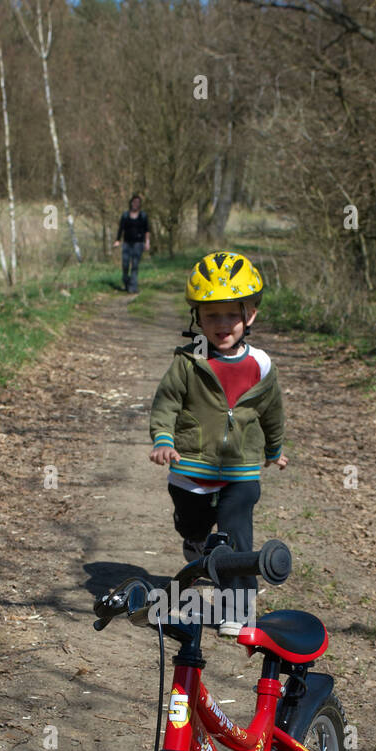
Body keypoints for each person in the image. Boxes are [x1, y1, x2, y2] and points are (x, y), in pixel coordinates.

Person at [149, 251, 288, 636]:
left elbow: (272, 412)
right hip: (191, 467)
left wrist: (274, 450)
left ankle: (237, 607)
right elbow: (166, 403)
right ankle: (195, 541)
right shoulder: (188, 360)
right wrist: (163, 438)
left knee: (238, 534)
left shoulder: (261, 365)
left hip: (240, 469)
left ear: (251, 315)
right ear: (198, 318)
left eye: (231, 314)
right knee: (194, 526)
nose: (222, 324)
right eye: (212, 316)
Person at [113, 194, 151, 294]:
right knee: (125, 264)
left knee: (135, 265)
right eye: (134, 202)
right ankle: (126, 282)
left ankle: (133, 287)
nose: (135, 204)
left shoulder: (143, 216)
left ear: (139, 204)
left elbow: (147, 230)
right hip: (127, 243)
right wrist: (117, 240)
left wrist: (147, 242)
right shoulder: (125, 215)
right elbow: (121, 229)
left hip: (138, 244)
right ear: (131, 203)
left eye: (137, 203)